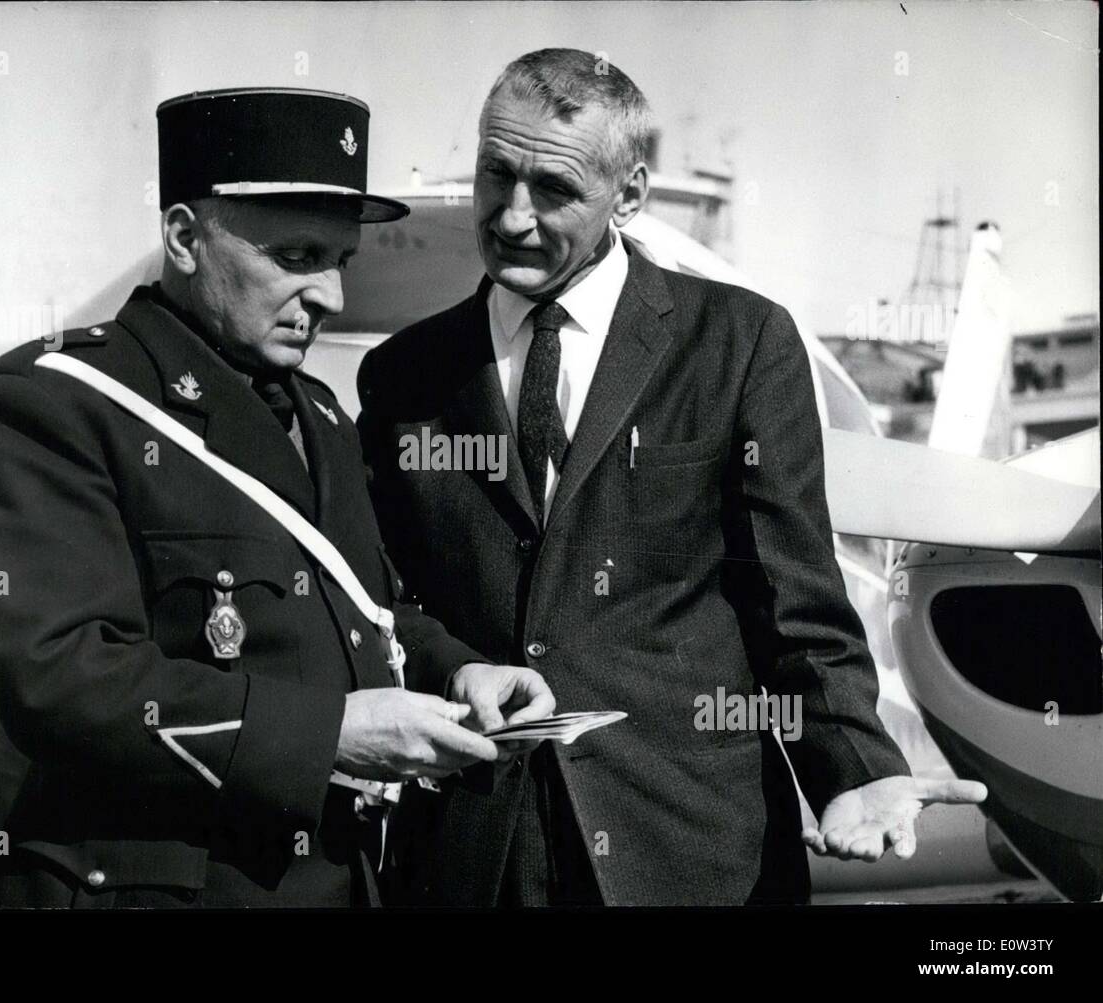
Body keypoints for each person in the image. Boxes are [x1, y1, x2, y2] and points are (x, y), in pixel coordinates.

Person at [357, 50, 986, 906]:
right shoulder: (404, 375)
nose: (510, 216)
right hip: (475, 856)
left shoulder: (740, 344)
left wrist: (854, 766)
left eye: (553, 190)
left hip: (692, 853)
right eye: (495, 174)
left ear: (631, 194)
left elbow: (792, 597)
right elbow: (380, 598)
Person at [0, 87, 552, 908]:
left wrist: (461, 672)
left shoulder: (318, 415)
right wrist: (333, 736)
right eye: (298, 256)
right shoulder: (58, 400)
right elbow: (60, 680)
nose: (332, 297)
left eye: (339, 261)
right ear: (183, 238)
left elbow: (367, 612)